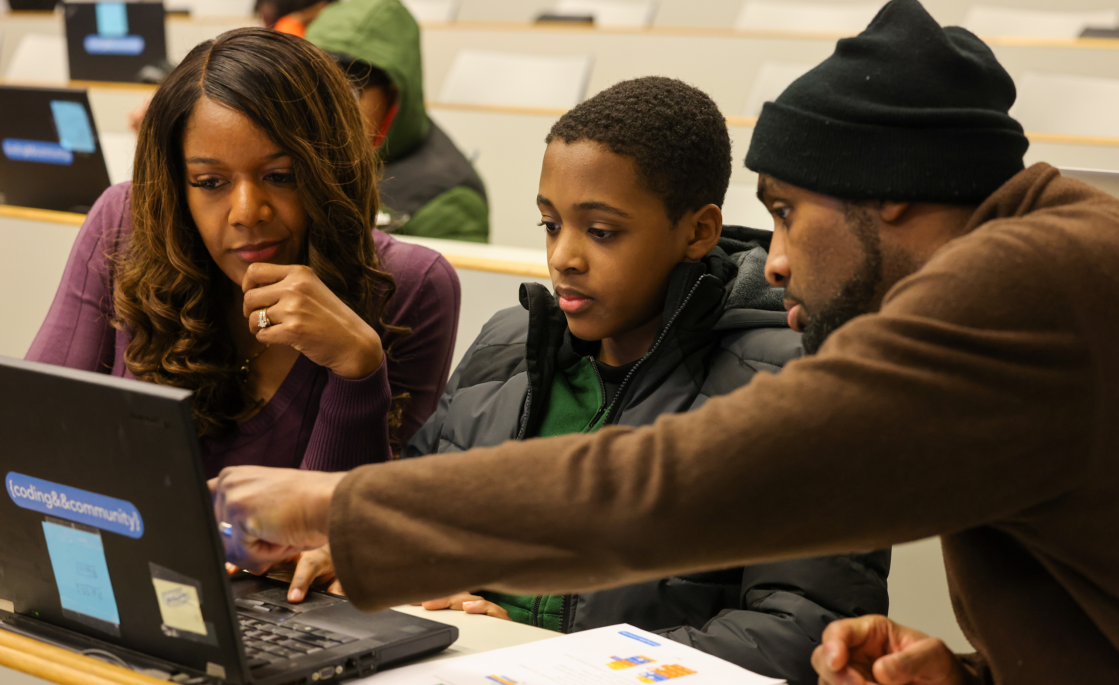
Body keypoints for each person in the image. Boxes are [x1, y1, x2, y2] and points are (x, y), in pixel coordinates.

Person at [210, 1, 1119, 683]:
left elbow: (678, 484)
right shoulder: (1060, 261)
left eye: (785, 210)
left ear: (889, 191)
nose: (768, 259)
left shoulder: (1032, 280)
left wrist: (343, 504)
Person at [287, 77, 889, 685]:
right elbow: (412, 527)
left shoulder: (795, 382)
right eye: (551, 224)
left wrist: (541, 655)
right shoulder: (508, 345)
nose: (563, 257)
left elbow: (804, 633)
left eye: (601, 232)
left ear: (698, 231)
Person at [30, 27, 460, 478]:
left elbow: (341, 533)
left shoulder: (411, 286)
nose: (247, 212)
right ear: (178, 186)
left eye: (281, 175)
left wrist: (357, 370)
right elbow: (36, 431)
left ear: (331, 170)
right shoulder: (125, 222)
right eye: (210, 183)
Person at [306, 0, 490, 242]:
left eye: (348, 94)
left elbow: (448, 280)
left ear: (394, 91)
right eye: (314, 92)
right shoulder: (292, 159)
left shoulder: (448, 202)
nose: (328, 111)